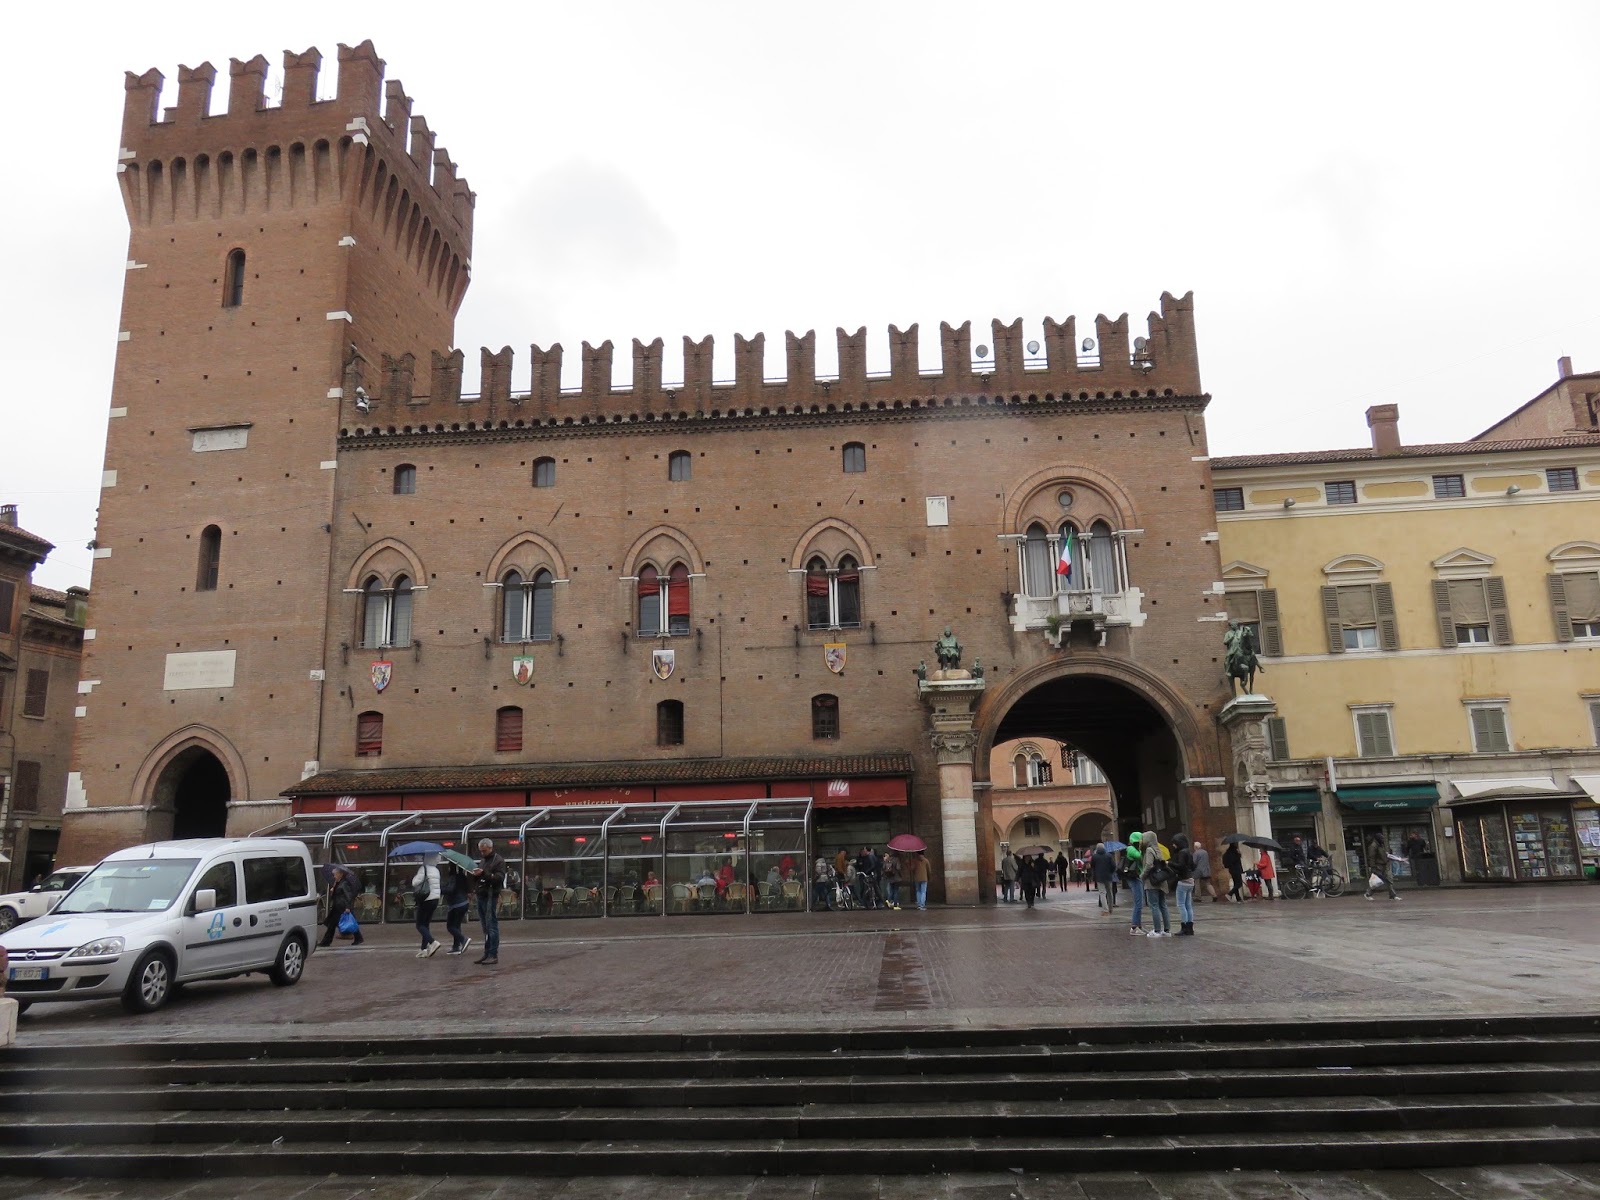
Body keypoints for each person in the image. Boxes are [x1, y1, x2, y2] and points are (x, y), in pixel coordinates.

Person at [473, 838, 507, 966]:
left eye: (484, 851)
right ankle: (487, 953)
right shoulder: (483, 860)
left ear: (490, 848)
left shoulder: (498, 860)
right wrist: (475, 875)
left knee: (491, 924)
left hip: (491, 895)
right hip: (482, 894)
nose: (482, 853)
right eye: (481, 851)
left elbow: (499, 878)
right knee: (485, 926)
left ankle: (493, 954)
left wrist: (484, 874)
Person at [319, 865, 364, 948]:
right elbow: (337, 895)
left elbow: (348, 896)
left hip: (342, 907)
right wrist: (333, 890)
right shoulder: (338, 883)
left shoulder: (344, 883)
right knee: (332, 925)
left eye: (335, 874)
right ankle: (326, 941)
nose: (334, 876)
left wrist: (348, 907)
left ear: (340, 874)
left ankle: (358, 937)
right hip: (337, 906)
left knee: (348, 922)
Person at [1141, 830, 1172, 937]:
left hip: (1152, 881)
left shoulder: (1149, 850)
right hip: (1161, 881)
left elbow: (1149, 865)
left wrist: (1142, 875)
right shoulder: (1158, 849)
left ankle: (1157, 930)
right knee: (1163, 905)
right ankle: (1167, 930)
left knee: (1154, 905)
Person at [412, 853, 441, 958]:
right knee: (426, 924)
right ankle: (423, 949)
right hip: (435, 899)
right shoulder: (436, 870)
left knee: (419, 924)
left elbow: (415, 883)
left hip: (426, 899)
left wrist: (416, 875)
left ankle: (432, 942)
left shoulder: (423, 868)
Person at [442, 864, 474, 956]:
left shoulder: (453, 877)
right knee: (456, 925)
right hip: (464, 903)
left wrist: (440, 889)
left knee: (450, 926)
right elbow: (468, 889)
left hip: (456, 904)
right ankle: (456, 947)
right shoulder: (463, 876)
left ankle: (463, 939)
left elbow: (450, 890)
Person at [1171, 834, 1197, 936]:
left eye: (1174, 843)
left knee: (1181, 904)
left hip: (1183, 880)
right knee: (1188, 905)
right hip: (1190, 880)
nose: (1173, 845)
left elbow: (1180, 866)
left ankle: (1184, 926)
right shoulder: (1188, 852)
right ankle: (1190, 927)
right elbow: (1193, 866)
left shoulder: (1181, 853)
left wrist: (1169, 863)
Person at [1364, 833, 1400, 900]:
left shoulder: (1380, 845)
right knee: (1377, 882)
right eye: (1382, 838)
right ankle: (1368, 893)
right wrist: (1373, 867)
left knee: (1389, 880)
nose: (1383, 839)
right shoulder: (1373, 846)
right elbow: (1371, 857)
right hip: (1378, 866)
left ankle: (1392, 895)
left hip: (1384, 865)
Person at [1122, 832, 1146, 934]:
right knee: (1138, 903)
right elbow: (1139, 856)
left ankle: (1138, 926)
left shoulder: (1133, 848)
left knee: (1140, 902)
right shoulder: (1131, 849)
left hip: (1137, 876)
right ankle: (1134, 927)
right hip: (1134, 877)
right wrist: (1143, 850)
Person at [1091, 841, 1116, 914]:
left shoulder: (1094, 856)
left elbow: (1092, 866)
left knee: (1102, 893)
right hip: (1108, 876)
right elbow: (1113, 866)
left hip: (1099, 877)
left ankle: (1105, 910)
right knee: (1109, 893)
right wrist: (1110, 872)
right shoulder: (1109, 855)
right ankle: (1111, 908)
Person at [1191, 839, 1213, 908]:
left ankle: (1198, 897)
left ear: (1196, 847)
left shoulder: (1196, 853)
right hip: (1206, 870)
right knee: (1208, 883)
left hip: (1199, 870)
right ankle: (1214, 895)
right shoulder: (1205, 852)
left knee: (1197, 883)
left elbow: (1194, 862)